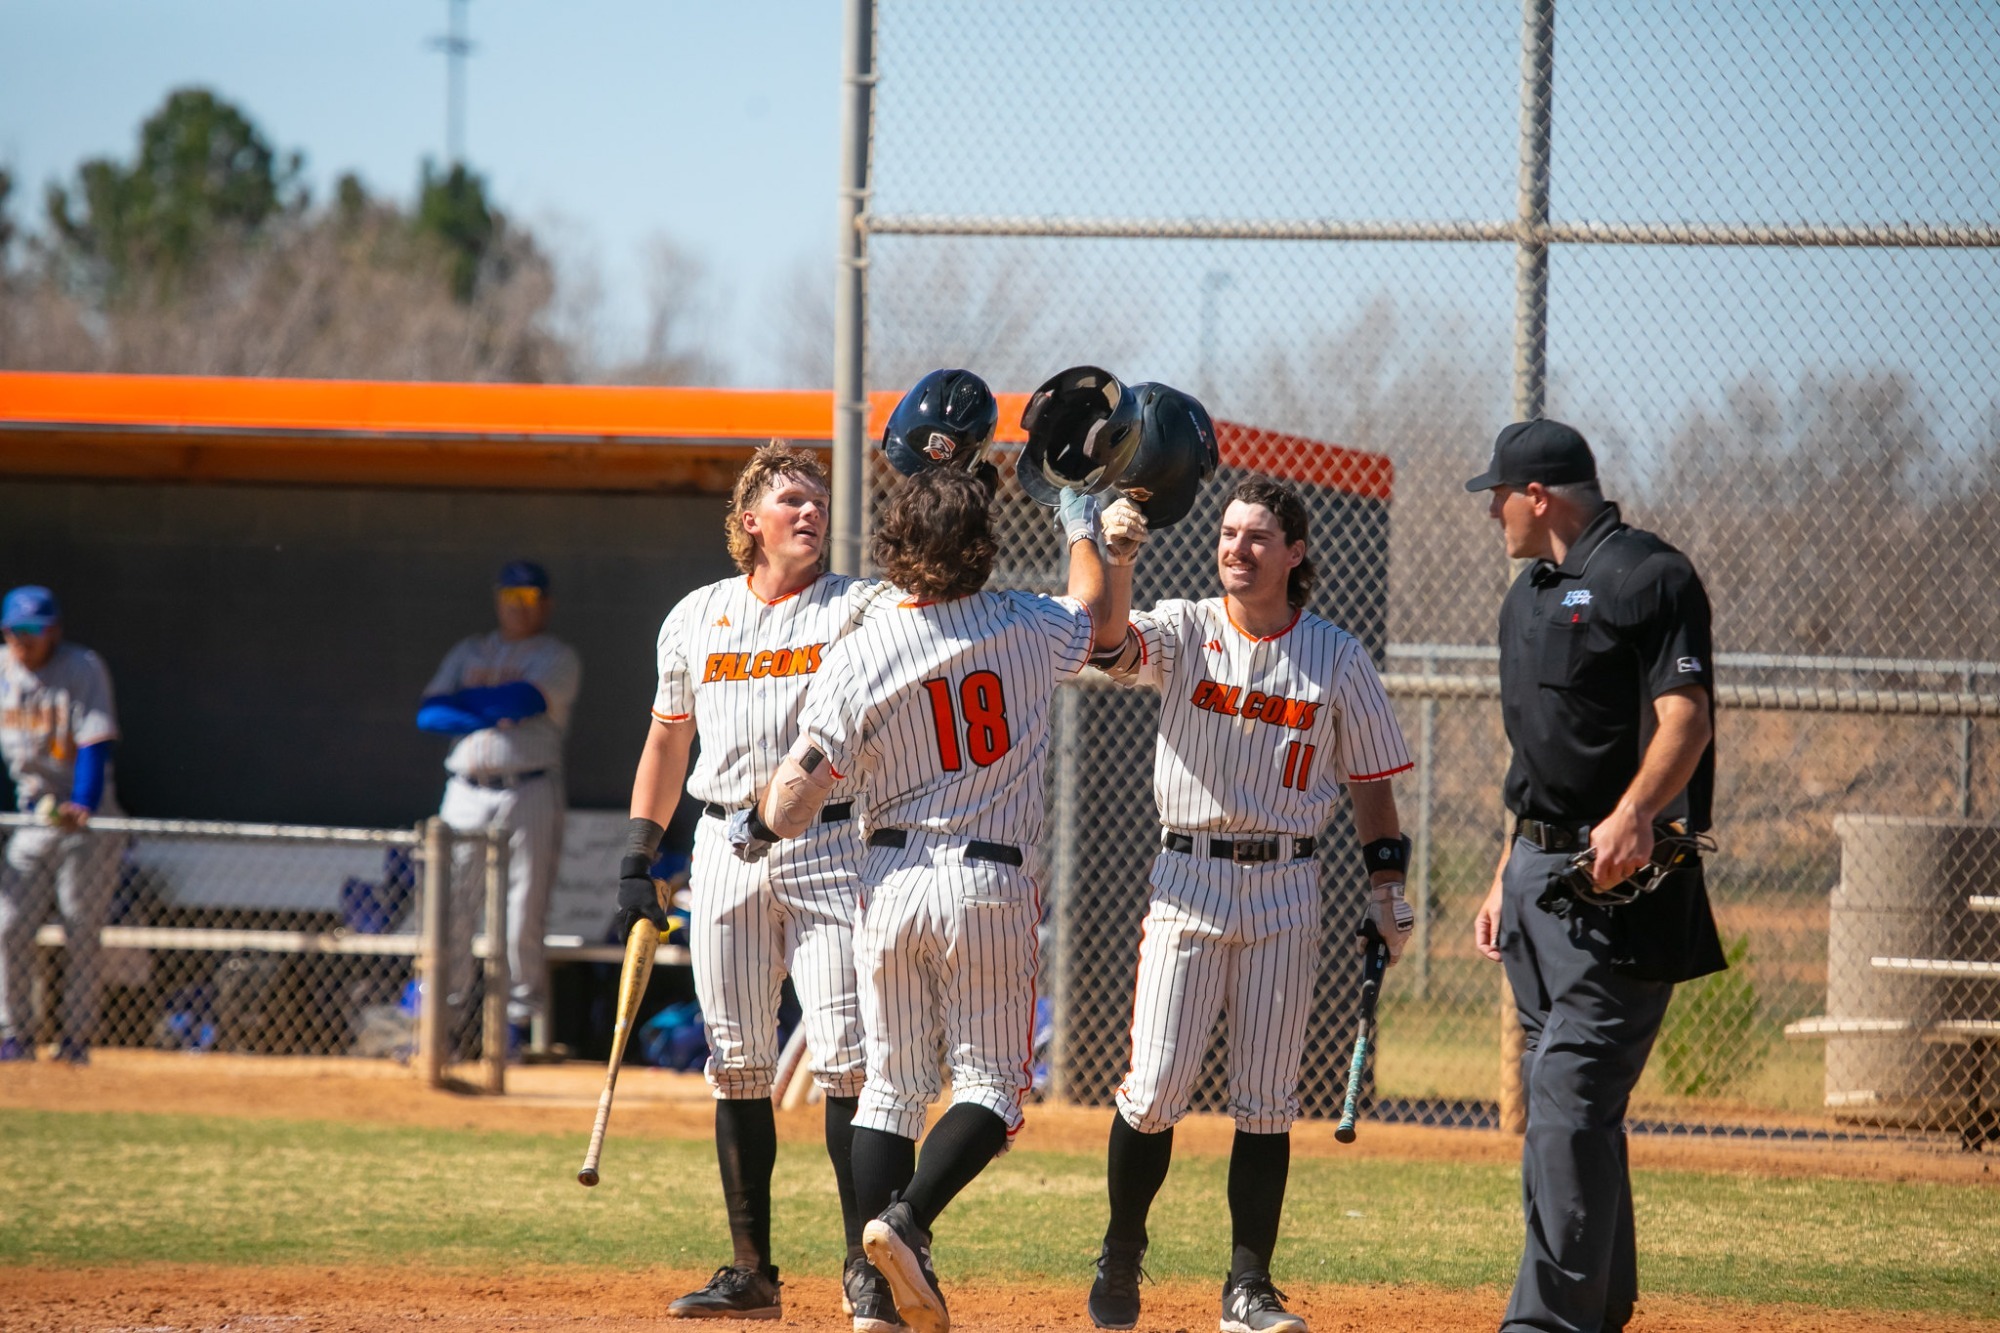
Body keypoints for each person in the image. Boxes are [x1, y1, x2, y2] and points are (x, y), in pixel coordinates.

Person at [731, 465, 1123, 1333]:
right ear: (981, 548)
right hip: (990, 881)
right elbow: (1097, 617)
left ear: (897, 547)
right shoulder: (1024, 621)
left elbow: (797, 795)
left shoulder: (863, 649)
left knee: (891, 1089)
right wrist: (1079, 521)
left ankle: (873, 1299)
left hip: (891, 881)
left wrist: (758, 828)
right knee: (991, 1085)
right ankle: (905, 1222)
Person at [1082, 481, 1416, 1333]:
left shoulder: (1336, 655)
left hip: (1286, 883)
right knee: (1154, 1089)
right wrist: (1117, 560)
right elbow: (1110, 644)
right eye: (1229, 532)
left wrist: (1388, 888)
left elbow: (1371, 780)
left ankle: (1248, 1285)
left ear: (1296, 552)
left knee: (1267, 1099)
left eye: (1258, 536)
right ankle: (1122, 1249)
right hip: (1186, 877)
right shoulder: (1190, 625)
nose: (1237, 547)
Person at [612, 440, 895, 1328]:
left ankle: (869, 1267)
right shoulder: (696, 616)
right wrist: (637, 855)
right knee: (736, 1061)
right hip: (720, 847)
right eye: (790, 501)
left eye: (817, 500)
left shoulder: (858, 606)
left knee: (848, 1056)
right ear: (750, 524)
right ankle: (751, 1271)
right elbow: (668, 741)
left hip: (827, 839)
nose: (809, 512)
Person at [1464, 419, 1724, 1333]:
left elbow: (1683, 720)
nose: (1492, 508)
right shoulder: (1527, 595)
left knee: (1569, 1095)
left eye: (1499, 492)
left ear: (1540, 496)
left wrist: (1637, 813)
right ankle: (1600, 1301)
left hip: (1619, 881)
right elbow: (1539, 759)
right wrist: (1508, 868)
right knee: (1564, 1099)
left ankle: (1545, 1322)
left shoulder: (1648, 576)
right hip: (1538, 875)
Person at [417, 560, 581, 1055]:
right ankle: (436, 1025)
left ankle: (514, 1029)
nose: (518, 606)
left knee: (521, 909)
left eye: (529, 597)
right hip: (465, 789)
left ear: (545, 604)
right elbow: (430, 714)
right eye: (511, 596)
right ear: (498, 599)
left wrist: (468, 702)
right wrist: (492, 706)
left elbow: (526, 698)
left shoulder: (557, 655)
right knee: (450, 906)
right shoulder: (470, 649)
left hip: (527, 789)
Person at [0, 586, 125, 1064]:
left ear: (54, 631)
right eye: (15, 630)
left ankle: (76, 1040)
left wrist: (83, 803)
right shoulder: (4, 671)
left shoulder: (81, 668)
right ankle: (15, 1035)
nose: (23, 640)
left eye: (34, 630)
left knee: (81, 928)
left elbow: (95, 742)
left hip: (88, 821)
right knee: (10, 926)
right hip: (32, 816)